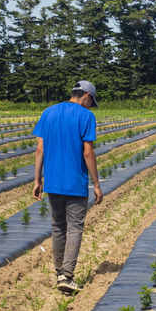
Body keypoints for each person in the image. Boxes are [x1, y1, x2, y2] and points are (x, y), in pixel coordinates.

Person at [32, 80, 102, 295]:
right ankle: (67, 275)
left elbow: (40, 150)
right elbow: (88, 152)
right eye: (92, 102)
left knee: (58, 227)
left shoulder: (48, 112)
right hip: (75, 182)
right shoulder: (86, 116)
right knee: (74, 228)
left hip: (53, 181)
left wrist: (37, 181)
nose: (91, 106)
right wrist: (97, 184)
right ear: (87, 97)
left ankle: (59, 273)